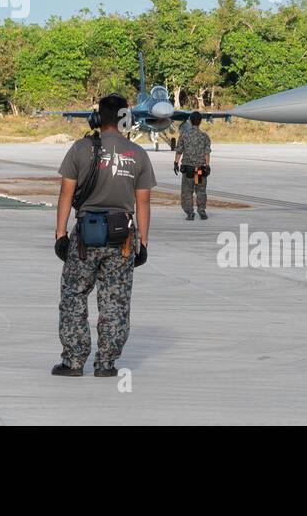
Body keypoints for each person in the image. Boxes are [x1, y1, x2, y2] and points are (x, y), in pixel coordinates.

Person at [52, 94, 153, 378]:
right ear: (126, 119)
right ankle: (106, 363)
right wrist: (142, 242)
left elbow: (66, 194)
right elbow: (142, 202)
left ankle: (73, 361)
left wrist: (60, 234)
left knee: (74, 295)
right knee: (115, 301)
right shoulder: (137, 154)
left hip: (86, 236)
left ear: (97, 119)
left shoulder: (80, 149)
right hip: (122, 239)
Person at [174, 112, 212, 220]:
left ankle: (190, 212)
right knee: (200, 191)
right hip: (199, 170)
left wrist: (176, 163)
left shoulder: (184, 135)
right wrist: (207, 165)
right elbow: (207, 152)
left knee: (187, 191)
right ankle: (202, 211)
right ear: (200, 121)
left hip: (188, 170)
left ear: (190, 121)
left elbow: (179, 151)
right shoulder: (204, 136)